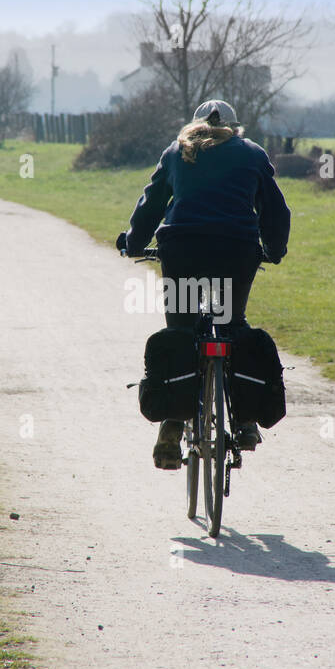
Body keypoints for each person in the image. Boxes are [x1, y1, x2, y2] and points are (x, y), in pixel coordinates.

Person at [116, 100, 290, 470]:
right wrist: (273, 250)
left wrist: (133, 243)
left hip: (182, 249)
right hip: (236, 250)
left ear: (196, 126)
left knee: (181, 330)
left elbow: (151, 204)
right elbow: (275, 211)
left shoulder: (177, 151)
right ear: (234, 128)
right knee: (230, 324)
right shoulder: (252, 154)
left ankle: (172, 426)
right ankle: (244, 421)